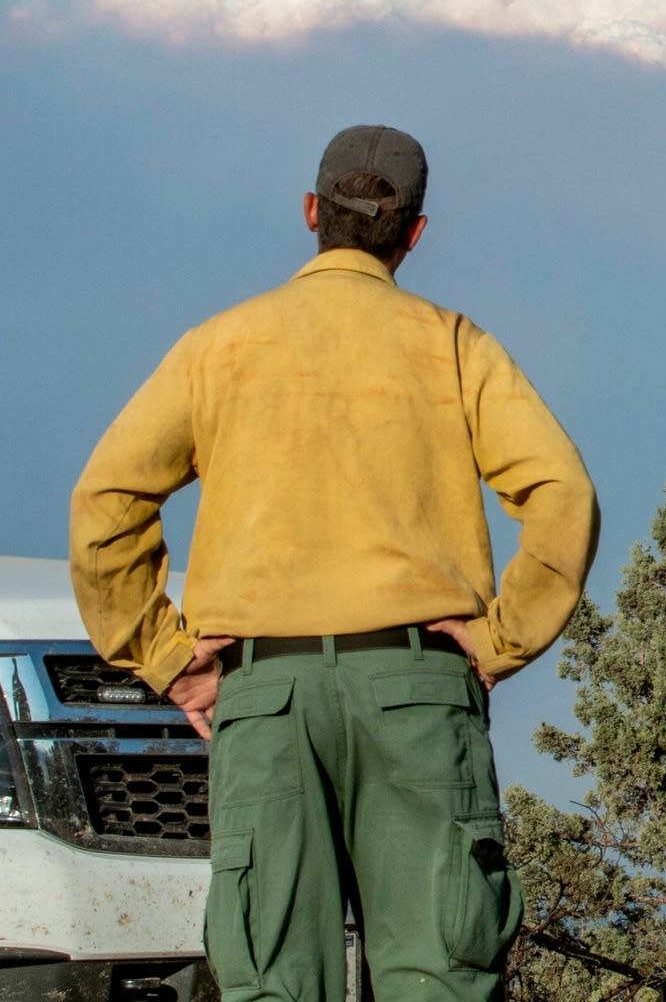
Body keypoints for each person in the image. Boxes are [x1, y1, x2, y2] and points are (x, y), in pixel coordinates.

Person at [69, 125, 599, 1000]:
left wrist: (166, 659)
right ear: (416, 233)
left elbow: (105, 506)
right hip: (420, 689)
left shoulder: (218, 347)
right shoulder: (454, 345)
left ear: (312, 213)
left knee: (272, 980)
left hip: (263, 695)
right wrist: (501, 640)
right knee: (442, 973)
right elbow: (562, 492)